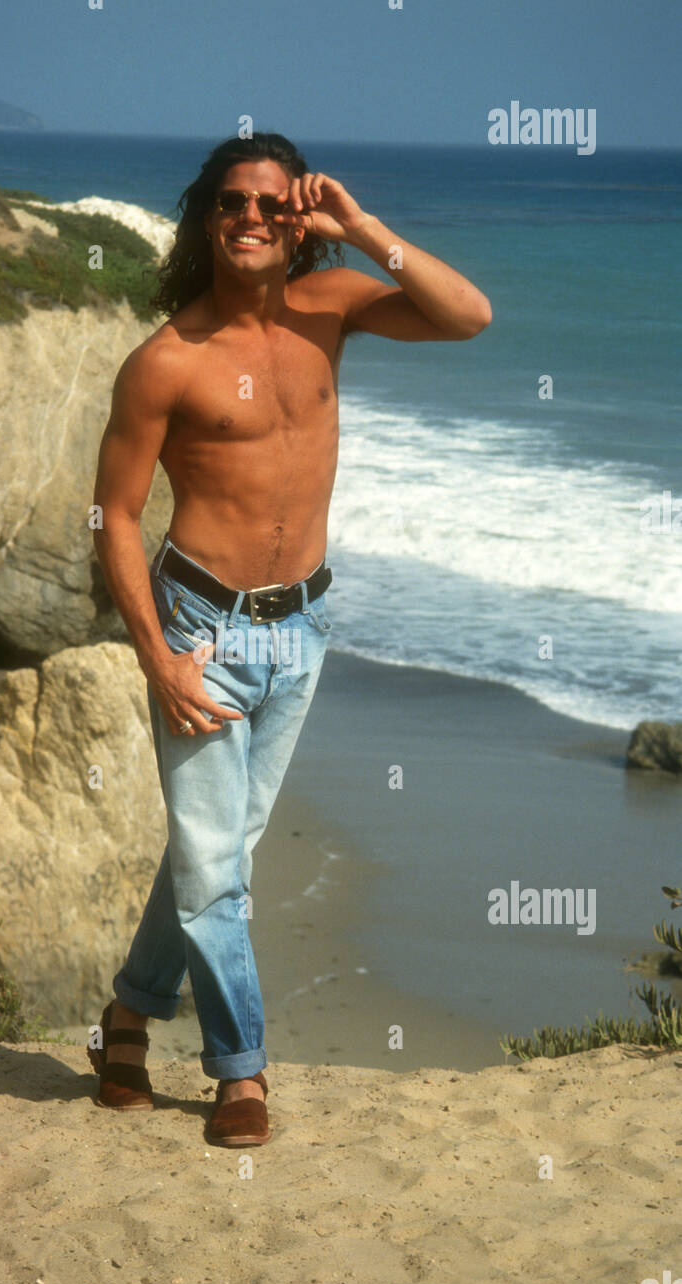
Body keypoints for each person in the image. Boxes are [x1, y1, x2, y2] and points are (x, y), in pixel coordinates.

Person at [91, 132, 491, 1145]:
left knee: (214, 852)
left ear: (297, 216)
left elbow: (467, 314)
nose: (255, 218)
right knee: (218, 867)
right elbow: (116, 515)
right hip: (200, 627)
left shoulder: (332, 308)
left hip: (302, 626)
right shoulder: (166, 360)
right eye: (234, 203)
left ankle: (129, 1016)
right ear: (207, 218)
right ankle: (240, 1071)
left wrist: (357, 227)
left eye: (275, 204)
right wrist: (157, 654)